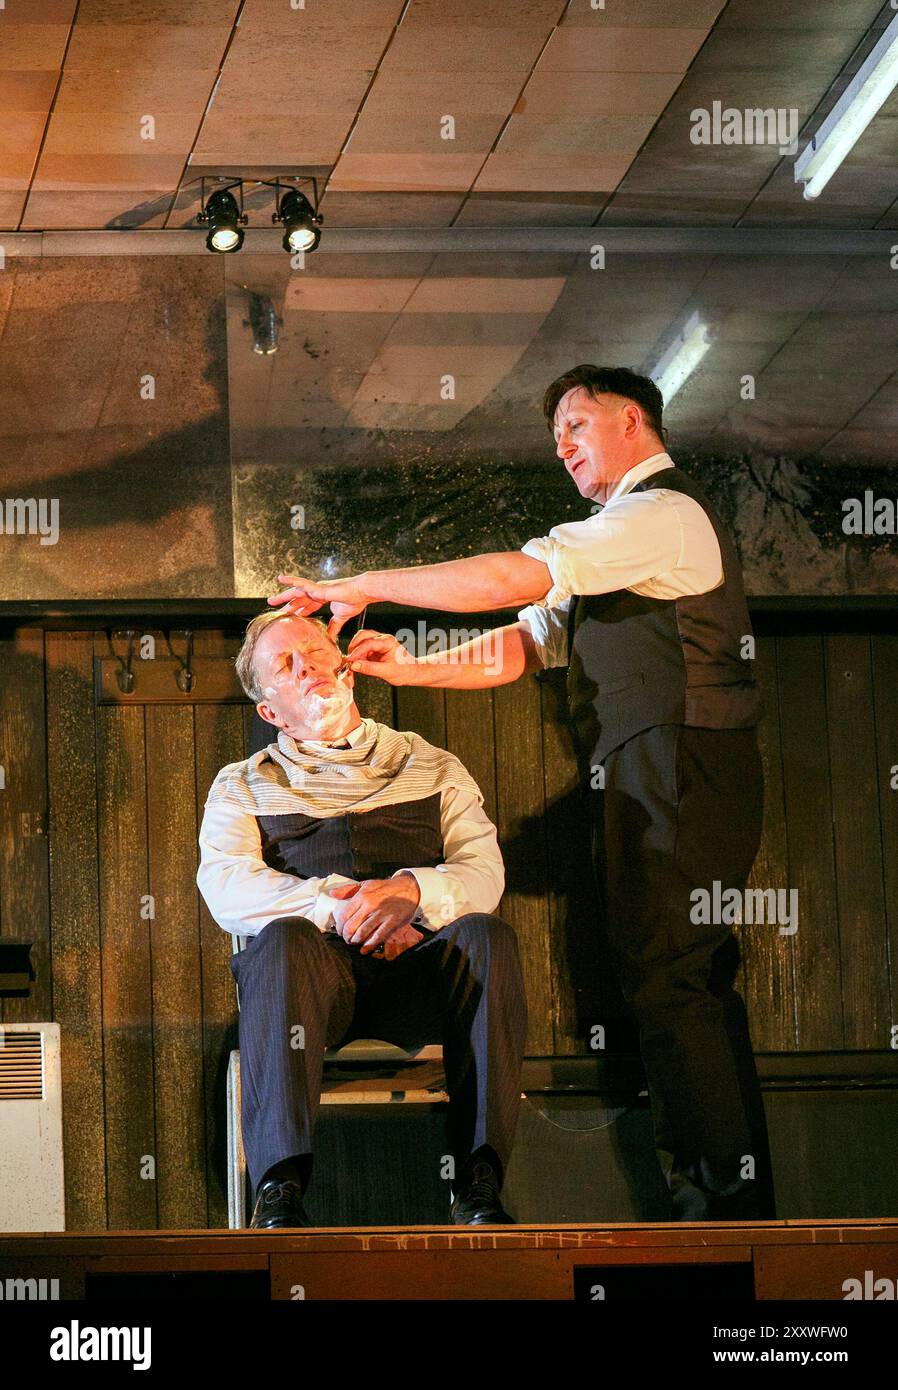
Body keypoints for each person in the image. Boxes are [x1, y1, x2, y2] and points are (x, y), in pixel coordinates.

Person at [269, 364, 777, 1222]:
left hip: (687, 764)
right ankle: (728, 1206)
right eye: (555, 439)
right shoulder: (612, 547)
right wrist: (415, 664)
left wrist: (366, 584)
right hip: (646, 773)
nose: (564, 448)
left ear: (631, 420)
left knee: (673, 976)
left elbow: (516, 577)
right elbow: (517, 647)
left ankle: (721, 1213)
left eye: (576, 426)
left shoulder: (660, 515)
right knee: (674, 976)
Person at [197, 609, 528, 1229]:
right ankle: (281, 1194)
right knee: (282, 942)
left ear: (346, 667)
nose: (307, 670)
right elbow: (224, 886)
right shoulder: (241, 784)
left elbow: (484, 871)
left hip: (417, 975)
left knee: (487, 936)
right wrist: (337, 906)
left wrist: (412, 891)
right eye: (286, 666)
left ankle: (478, 1185)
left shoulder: (430, 762)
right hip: (318, 988)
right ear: (270, 710)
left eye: (316, 653)